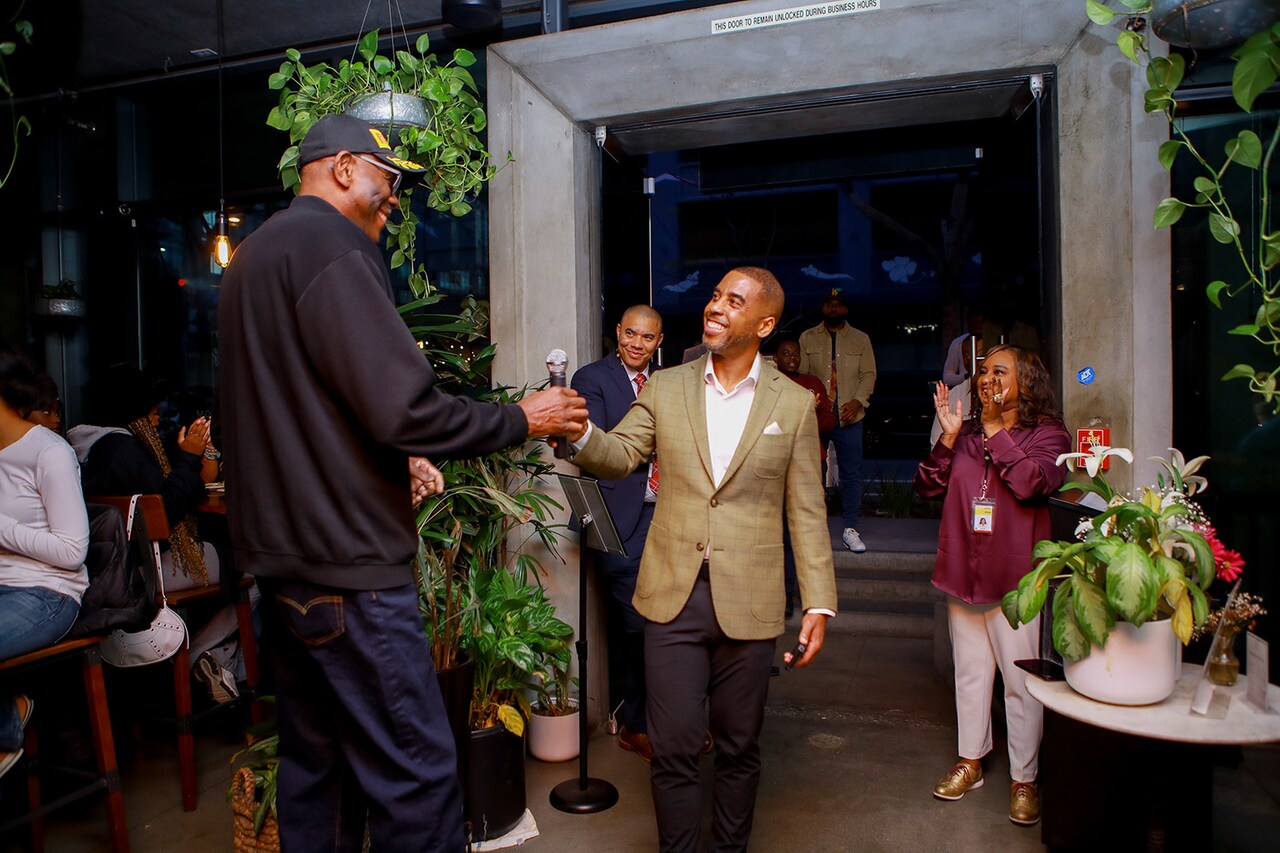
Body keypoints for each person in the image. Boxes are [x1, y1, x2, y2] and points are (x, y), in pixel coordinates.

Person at [217, 113, 587, 852]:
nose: (394, 203)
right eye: (389, 184)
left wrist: (392, 459)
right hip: (350, 575)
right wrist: (524, 416)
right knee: (416, 776)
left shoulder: (252, 259)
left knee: (314, 771)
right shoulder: (332, 246)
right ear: (346, 166)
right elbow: (406, 406)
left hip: (283, 571)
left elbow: (284, 414)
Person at [567, 267, 837, 853]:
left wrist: (818, 600)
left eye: (734, 301)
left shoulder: (792, 404)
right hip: (671, 593)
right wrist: (580, 433)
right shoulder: (667, 387)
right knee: (674, 748)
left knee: (739, 748)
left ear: (764, 323)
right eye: (715, 296)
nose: (716, 307)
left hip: (752, 596)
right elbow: (620, 453)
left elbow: (808, 511)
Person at [913, 344, 1070, 828]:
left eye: (999, 371)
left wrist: (1000, 430)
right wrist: (948, 439)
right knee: (971, 674)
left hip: (1016, 579)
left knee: (1021, 683)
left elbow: (1031, 484)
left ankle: (1024, 778)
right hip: (964, 572)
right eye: (983, 372)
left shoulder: (1050, 434)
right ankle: (971, 761)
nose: (986, 379)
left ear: (1027, 381)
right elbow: (928, 488)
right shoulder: (966, 434)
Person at [570, 304, 666, 761]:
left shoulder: (668, 382)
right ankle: (635, 724)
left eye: (647, 338)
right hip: (615, 517)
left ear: (658, 342)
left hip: (664, 517)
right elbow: (596, 445)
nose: (636, 343)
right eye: (630, 334)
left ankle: (665, 720)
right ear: (617, 332)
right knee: (640, 625)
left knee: (670, 622)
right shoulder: (592, 378)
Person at [0, 348, 90, 778]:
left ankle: (5, 731)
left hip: (47, 593)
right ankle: (8, 710)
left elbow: (73, 551)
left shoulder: (48, 452)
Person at [798, 290, 876, 553]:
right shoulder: (807, 337)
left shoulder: (860, 339)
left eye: (838, 304)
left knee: (851, 474)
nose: (833, 308)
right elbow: (803, 376)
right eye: (829, 303)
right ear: (823, 307)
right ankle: (814, 530)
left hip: (850, 416)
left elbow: (869, 374)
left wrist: (858, 401)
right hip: (817, 417)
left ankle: (850, 529)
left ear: (846, 309)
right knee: (812, 474)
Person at [772, 336, 835, 617]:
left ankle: (812, 597)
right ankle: (784, 594)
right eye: (786, 354)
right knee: (782, 533)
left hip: (811, 463)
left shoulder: (813, 384)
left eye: (795, 353)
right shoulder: (769, 385)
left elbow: (828, 423)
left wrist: (810, 412)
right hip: (778, 466)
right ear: (776, 359)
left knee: (809, 529)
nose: (792, 358)